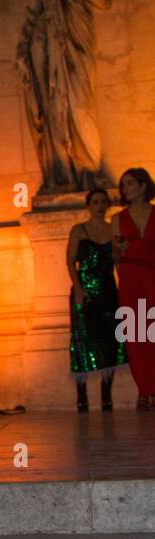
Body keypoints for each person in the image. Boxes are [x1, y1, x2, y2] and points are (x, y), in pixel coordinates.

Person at [66, 187, 126, 411]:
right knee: (83, 342)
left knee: (109, 342)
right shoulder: (79, 230)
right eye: (95, 202)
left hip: (108, 291)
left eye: (103, 202)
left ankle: (106, 397)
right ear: (88, 206)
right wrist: (79, 290)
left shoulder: (113, 230)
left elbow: (118, 262)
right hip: (85, 293)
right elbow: (70, 262)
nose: (99, 206)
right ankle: (81, 398)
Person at [112, 167, 155, 409]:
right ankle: (144, 390)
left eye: (129, 183)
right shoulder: (117, 218)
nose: (125, 188)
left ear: (143, 185)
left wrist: (134, 247)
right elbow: (116, 254)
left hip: (153, 278)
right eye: (123, 184)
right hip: (131, 281)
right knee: (137, 336)